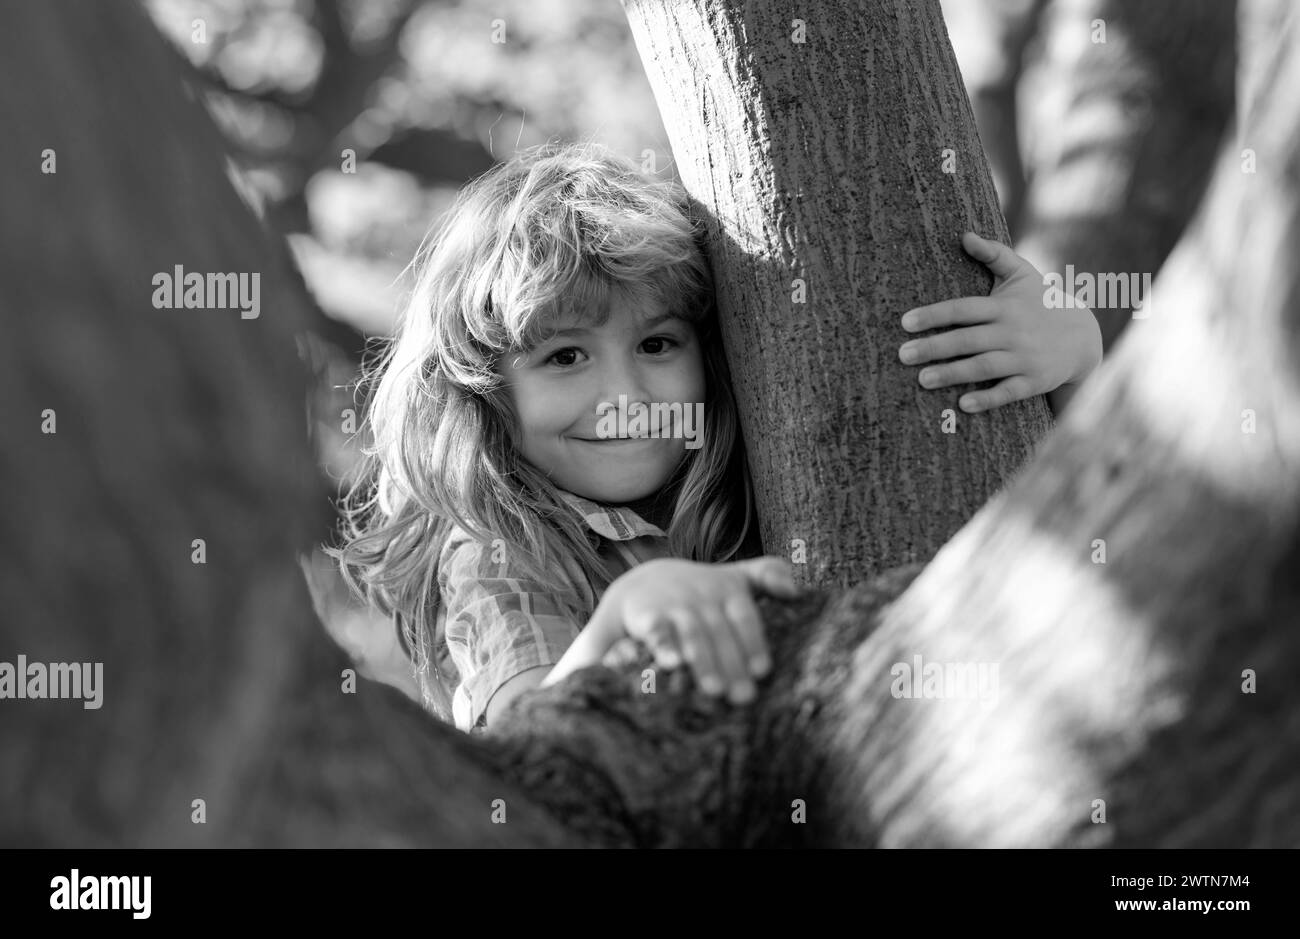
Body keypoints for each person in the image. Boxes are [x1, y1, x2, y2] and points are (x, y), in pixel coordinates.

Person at [329, 139, 1101, 734]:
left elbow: (1054, 524)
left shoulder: (746, 466)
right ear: (484, 395)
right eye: (565, 356)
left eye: (658, 344)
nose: (625, 396)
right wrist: (625, 612)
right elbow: (535, 756)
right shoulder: (501, 549)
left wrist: (1074, 361)